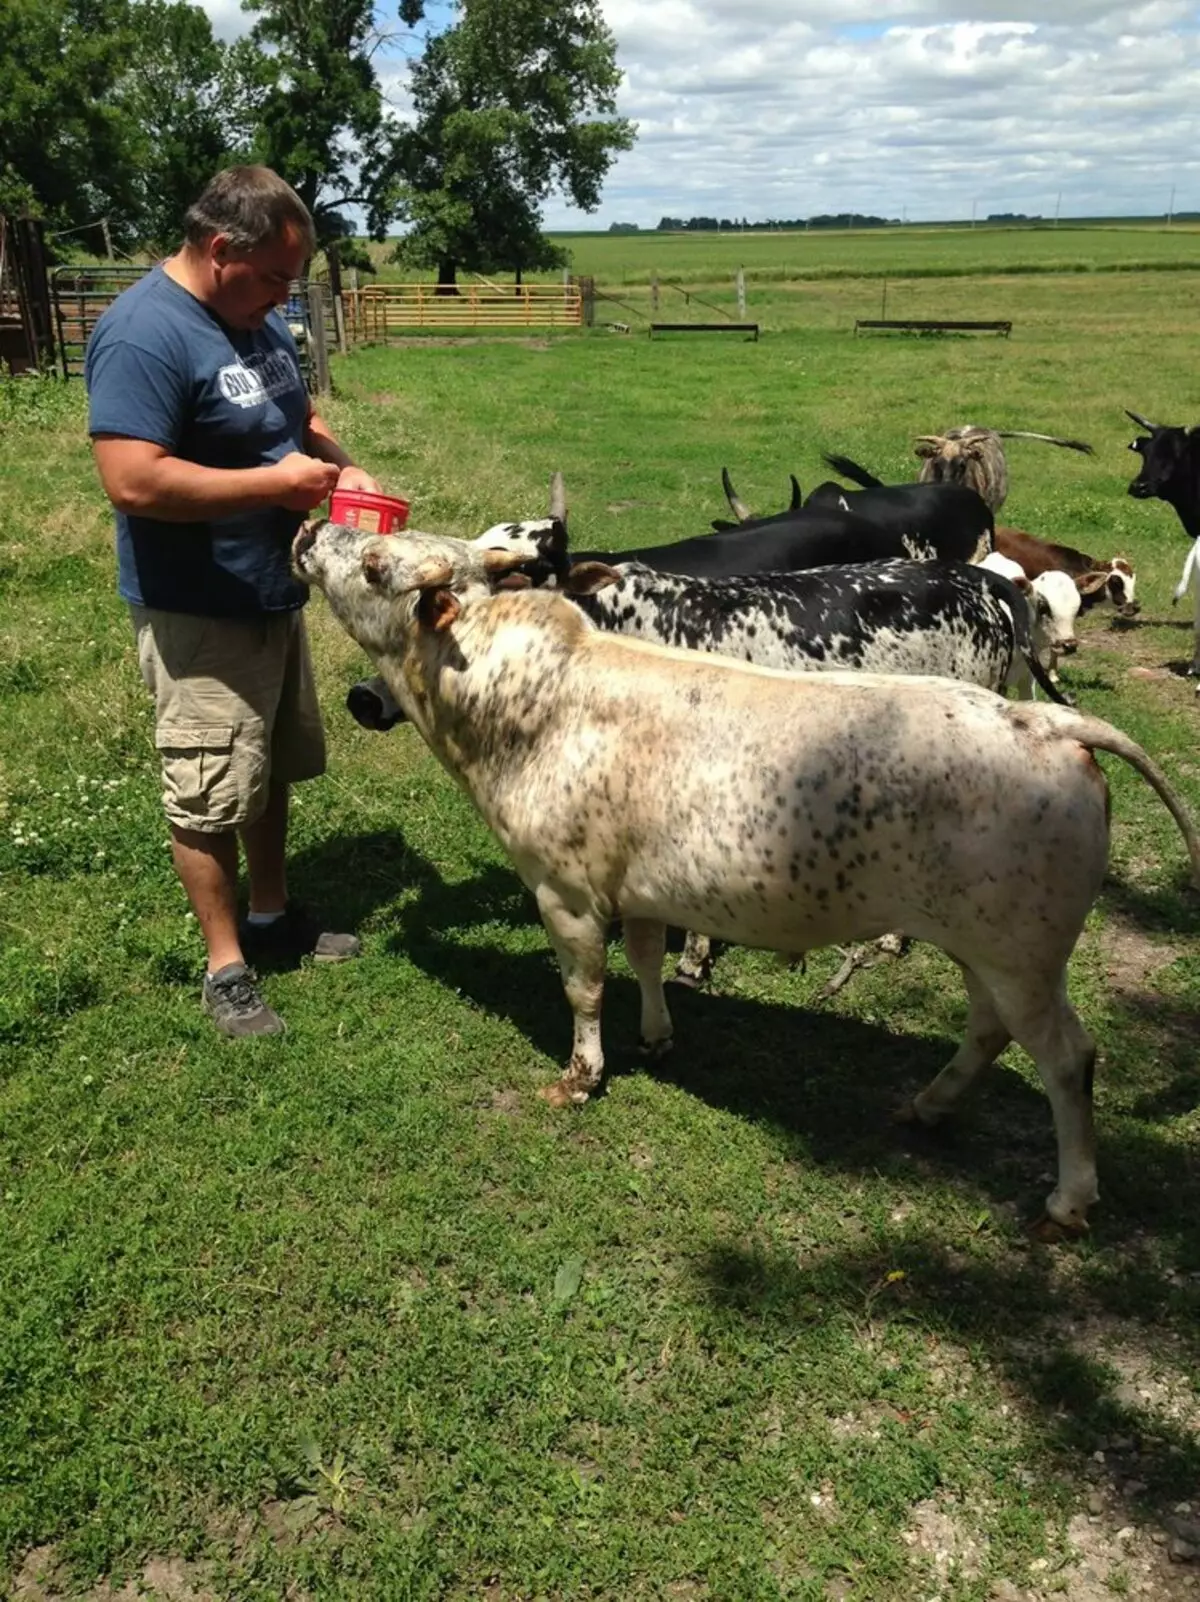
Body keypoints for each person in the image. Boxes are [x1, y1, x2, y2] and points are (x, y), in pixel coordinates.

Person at [85, 165, 380, 1038]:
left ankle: (271, 911)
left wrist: (338, 459)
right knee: (210, 783)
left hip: (269, 588)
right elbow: (131, 480)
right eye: (278, 279)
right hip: (198, 604)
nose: (287, 298)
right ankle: (226, 968)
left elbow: (297, 416)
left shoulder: (253, 317)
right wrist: (271, 486)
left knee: (267, 765)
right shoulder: (144, 335)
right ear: (221, 252)